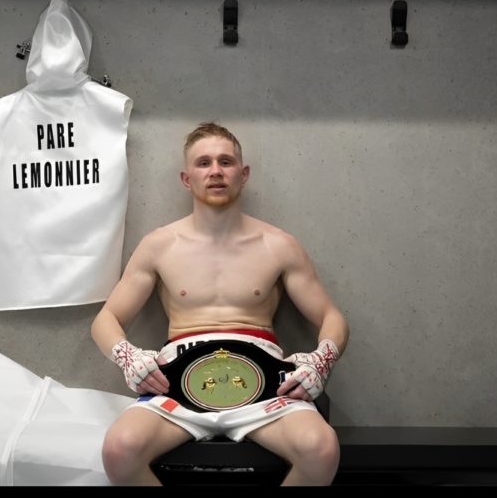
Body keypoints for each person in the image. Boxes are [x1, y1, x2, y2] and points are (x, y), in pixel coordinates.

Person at [91, 122, 349, 486]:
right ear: (186, 178)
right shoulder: (159, 245)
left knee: (320, 448)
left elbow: (330, 316)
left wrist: (322, 359)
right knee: (119, 449)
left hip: (265, 380)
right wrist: (126, 356)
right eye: (204, 163)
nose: (215, 171)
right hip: (176, 380)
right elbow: (107, 319)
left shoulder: (278, 244)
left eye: (225, 162)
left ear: (243, 174)